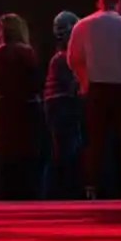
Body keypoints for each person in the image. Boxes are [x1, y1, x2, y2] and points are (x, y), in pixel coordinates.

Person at [68, 0, 121, 199]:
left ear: (99, 4)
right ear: (118, 5)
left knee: (95, 141)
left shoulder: (83, 25)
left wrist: (85, 82)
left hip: (96, 88)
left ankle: (91, 187)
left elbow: (74, 59)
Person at [0, 13, 44, 200]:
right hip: (28, 107)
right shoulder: (28, 51)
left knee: (7, 155)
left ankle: (7, 193)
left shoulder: (1, 52)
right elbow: (36, 80)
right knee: (28, 154)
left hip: (6, 107)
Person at [44, 11, 83, 200]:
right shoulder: (65, 58)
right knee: (67, 150)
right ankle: (65, 191)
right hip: (64, 104)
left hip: (55, 104)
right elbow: (73, 86)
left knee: (61, 149)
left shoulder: (58, 57)